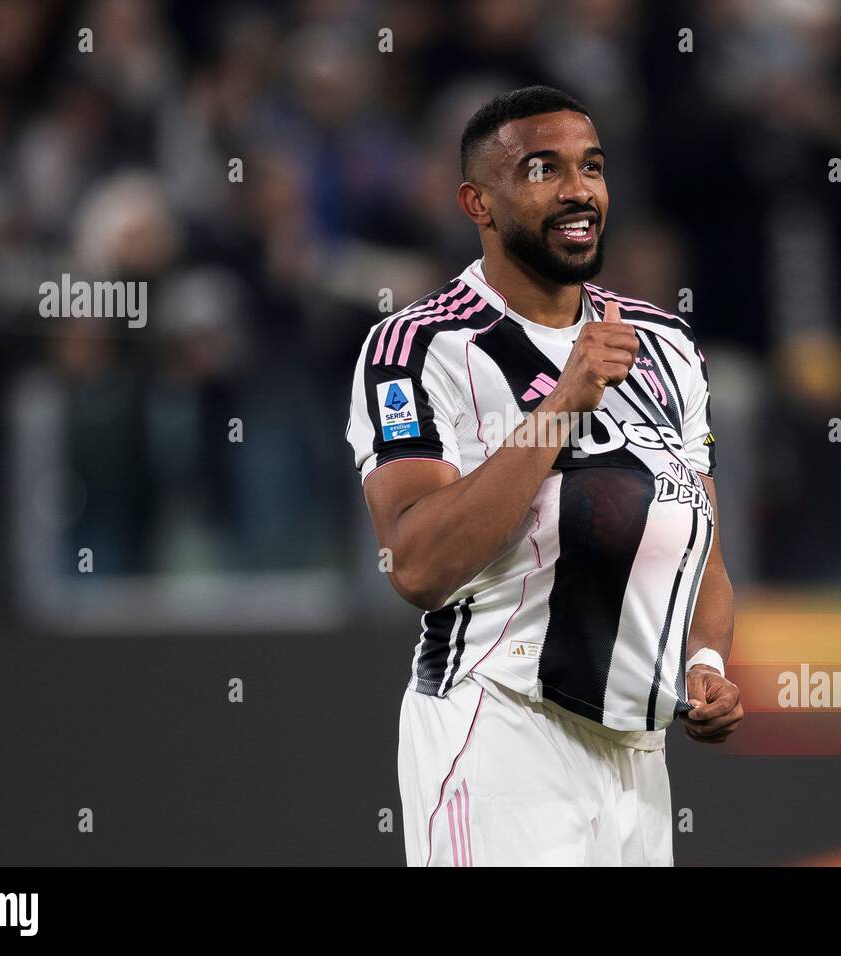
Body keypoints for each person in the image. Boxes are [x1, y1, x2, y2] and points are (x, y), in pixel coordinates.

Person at [345, 86, 742, 866]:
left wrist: (707, 662)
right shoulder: (415, 348)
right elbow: (416, 563)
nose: (578, 191)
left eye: (591, 167)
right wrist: (564, 403)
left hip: (636, 752)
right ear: (478, 203)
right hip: (501, 727)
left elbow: (703, 549)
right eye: (542, 170)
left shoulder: (664, 343)